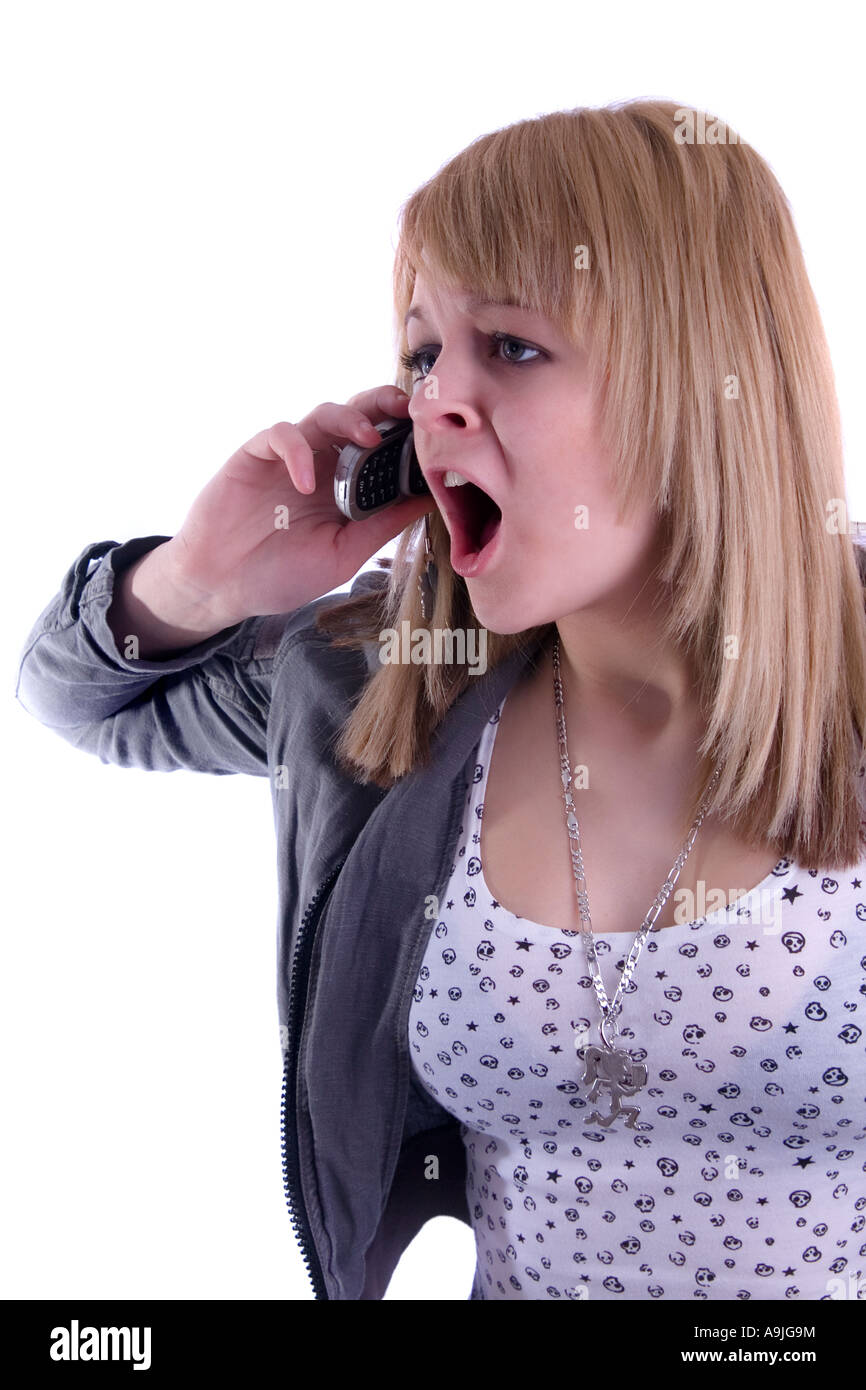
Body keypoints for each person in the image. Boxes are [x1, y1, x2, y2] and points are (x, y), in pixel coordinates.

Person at [15, 98, 866, 1301]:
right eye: (422, 355)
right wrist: (201, 576)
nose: (433, 404)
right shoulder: (385, 685)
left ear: (700, 378)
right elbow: (80, 701)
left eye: (510, 347)